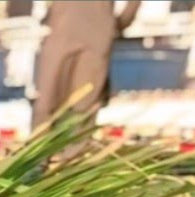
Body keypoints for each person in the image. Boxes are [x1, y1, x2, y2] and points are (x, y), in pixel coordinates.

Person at [33, 1, 142, 131]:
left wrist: (117, 23)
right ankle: (49, 148)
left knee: (79, 107)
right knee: (50, 104)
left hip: (77, 33)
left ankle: (70, 149)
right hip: (72, 32)